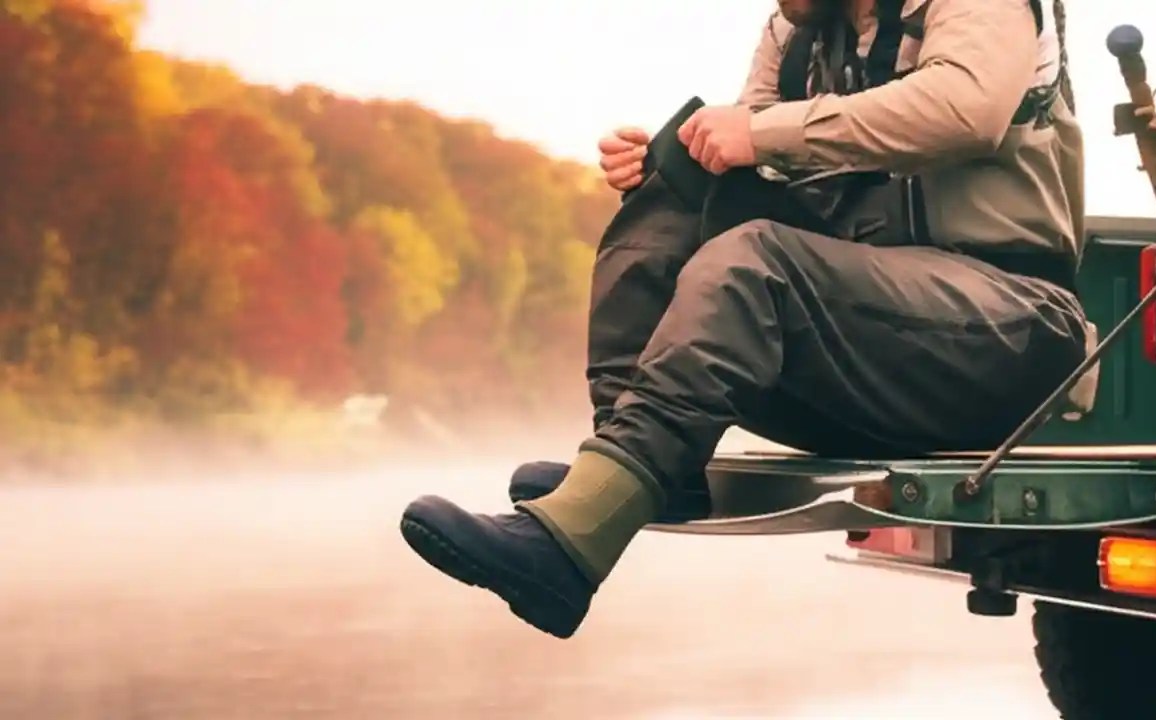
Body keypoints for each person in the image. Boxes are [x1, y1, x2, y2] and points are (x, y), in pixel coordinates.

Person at [400, 0, 1088, 640]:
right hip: (874, 336)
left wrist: (756, 132)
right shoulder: (800, 27)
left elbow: (968, 107)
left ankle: (570, 548)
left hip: (1009, 330)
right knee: (671, 199)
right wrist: (675, 159)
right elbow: (757, 166)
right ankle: (636, 472)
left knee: (756, 262)